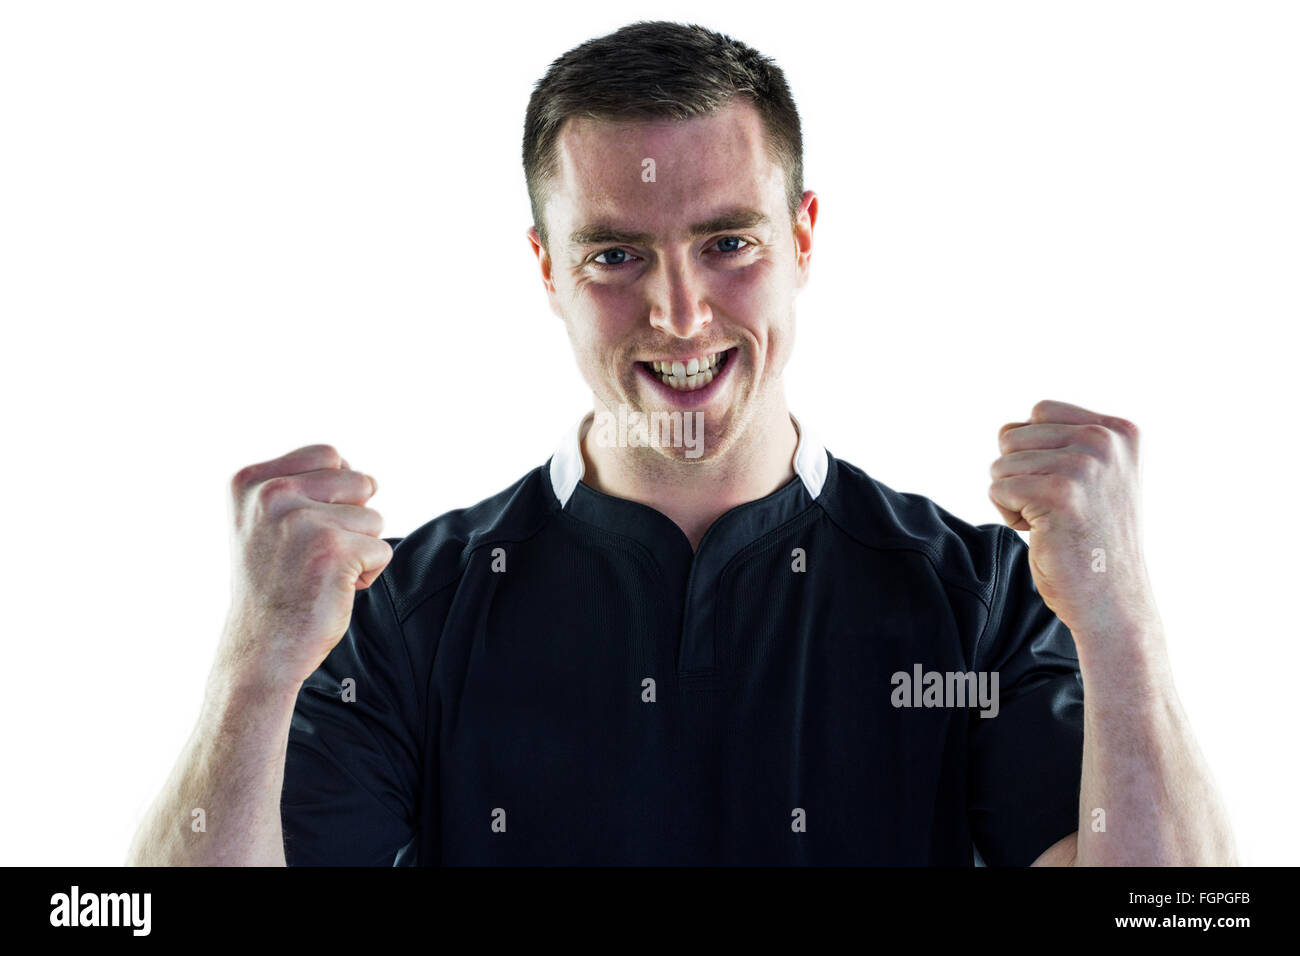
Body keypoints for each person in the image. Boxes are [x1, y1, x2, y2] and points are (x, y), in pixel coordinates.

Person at [127, 20, 1237, 866]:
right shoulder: (399, 618)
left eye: (727, 242)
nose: (679, 313)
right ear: (546, 269)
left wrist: (1122, 615)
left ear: (802, 239)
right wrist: (254, 666)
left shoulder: (983, 604)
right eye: (614, 255)